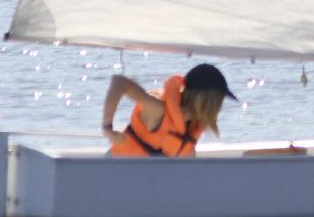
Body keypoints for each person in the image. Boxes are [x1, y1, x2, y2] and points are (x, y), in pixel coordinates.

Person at [102, 63, 237, 157]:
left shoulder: (191, 127)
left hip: (141, 182)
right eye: (219, 100)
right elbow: (119, 82)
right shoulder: (158, 110)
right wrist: (107, 128)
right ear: (206, 100)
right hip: (114, 173)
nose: (219, 107)